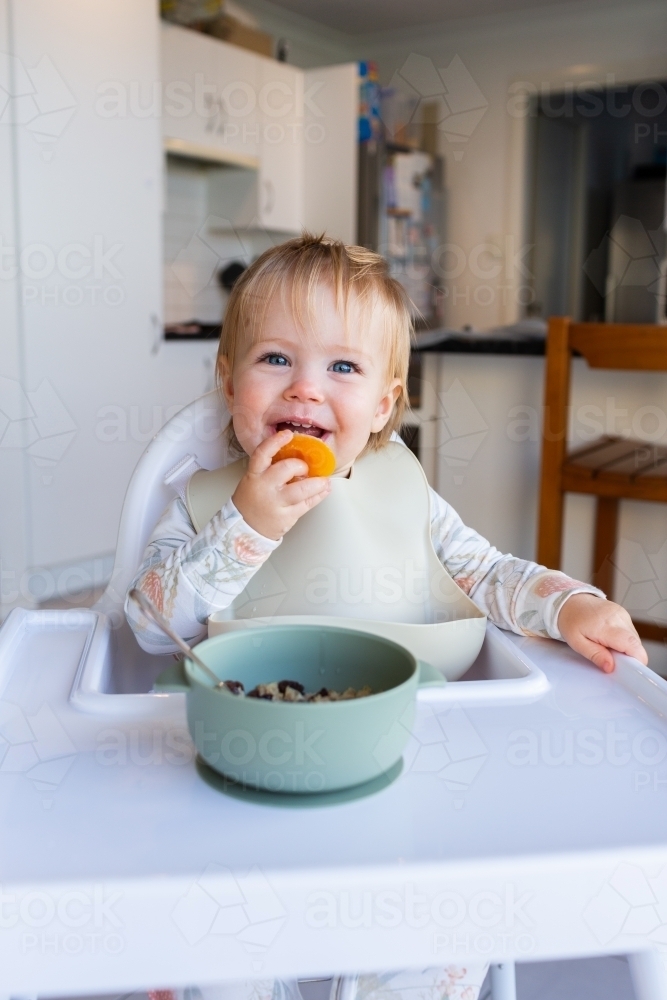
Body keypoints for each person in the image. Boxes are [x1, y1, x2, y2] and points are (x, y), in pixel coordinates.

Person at [126, 233, 647, 1000]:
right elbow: (147, 620)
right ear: (226, 378)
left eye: (341, 367)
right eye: (275, 360)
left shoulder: (404, 493)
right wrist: (247, 525)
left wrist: (567, 604)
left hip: (401, 772)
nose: (305, 390)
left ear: (382, 406)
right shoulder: (203, 503)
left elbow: (487, 572)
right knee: (208, 943)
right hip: (242, 778)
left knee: (444, 928)